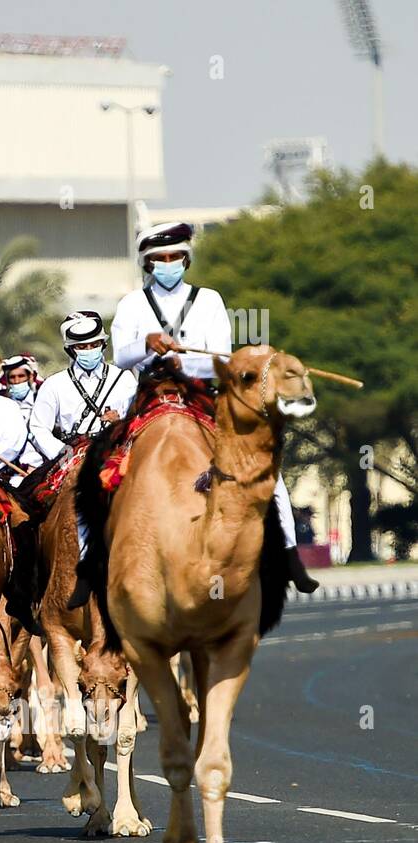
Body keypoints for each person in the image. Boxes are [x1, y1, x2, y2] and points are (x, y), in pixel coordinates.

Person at [110, 220, 319, 593]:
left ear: (186, 261)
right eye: (161, 258)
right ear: (148, 264)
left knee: (261, 462)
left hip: (199, 395)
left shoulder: (208, 300)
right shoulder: (130, 304)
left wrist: (183, 364)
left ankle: (289, 554)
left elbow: (221, 358)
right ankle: (91, 562)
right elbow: (121, 357)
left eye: (176, 257)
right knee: (96, 467)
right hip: (148, 396)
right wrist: (148, 344)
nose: (168, 263)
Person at [30, 311, 138, 463]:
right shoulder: (54, 384)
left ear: (103, 345)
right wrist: (63, 454)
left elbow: (139, 421)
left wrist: (120, 422)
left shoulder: (124, 379)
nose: (89, 350)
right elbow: (38, 427)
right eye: (82, 346)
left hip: (115, 454)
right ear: (71, 350)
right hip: (71, 456)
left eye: (94, 345)